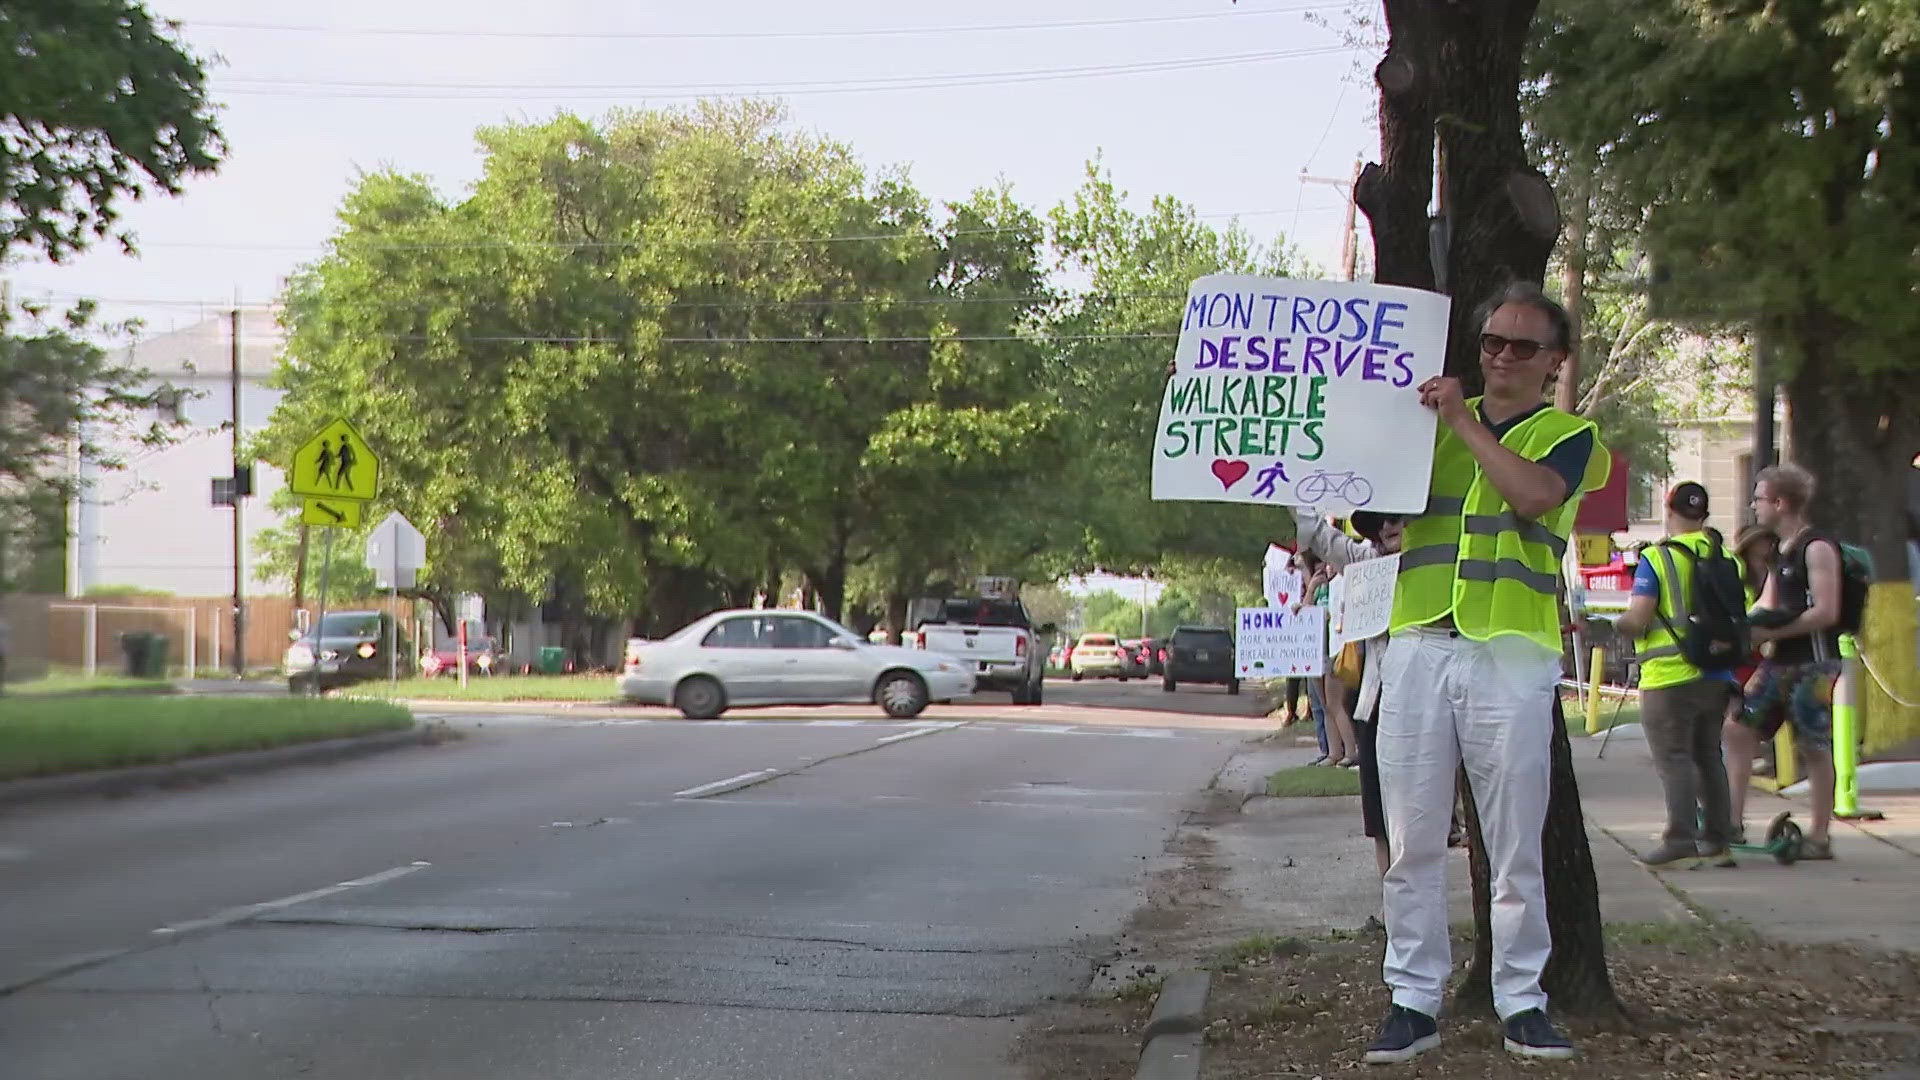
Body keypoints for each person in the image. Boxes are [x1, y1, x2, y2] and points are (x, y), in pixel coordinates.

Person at [1365, 282, 1609, 1065]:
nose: (1501, 356)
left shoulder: (1569, 435)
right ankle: (1412, 999)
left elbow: (1535, 497)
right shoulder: (1420, 433)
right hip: (1419, 644)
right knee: (1411, 837)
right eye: (1491, 342)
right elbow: (1364, 506)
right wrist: (1378, 520)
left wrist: (1464, 421)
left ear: (1554, 363)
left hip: (1510, 652)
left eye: (1521, 346)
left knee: (1512, 843)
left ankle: (1523, 1000)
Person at [1611, 482, 1737, 868]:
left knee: (1675, 759)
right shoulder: (1726, 556)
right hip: (1716, 673)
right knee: (1709, 756)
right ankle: (1718, 839)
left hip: (1668, 677)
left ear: (1668, 508)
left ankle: (1680, 840)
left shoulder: (1658, 558)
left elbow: (1640, 617)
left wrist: (1617, 624)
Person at [1727, 464, 1843, 859]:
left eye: (1758, 498)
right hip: (1778, 663)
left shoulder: (1817, 547)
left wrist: (1772, 634)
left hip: (1814, 663)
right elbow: (1767, 602)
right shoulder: (1781, 549)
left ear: (1780, 502)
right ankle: (1731, 823)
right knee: (1739, 727)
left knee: (1812, 745)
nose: (1754, 506)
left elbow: (1826, 612)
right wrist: (1737, 627)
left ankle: (1819, 836)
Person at [1292, 507, 1406, 875]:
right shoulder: (1368, 560)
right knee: (1379, 818)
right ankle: (1391, 907)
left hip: (1422, 705)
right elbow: (1324, 540)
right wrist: (1296, 496)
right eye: (1380, 521)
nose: (1389, 526)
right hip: (1377, 703)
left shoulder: (1436, 559)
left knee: (1417, 819)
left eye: (1398, 518)